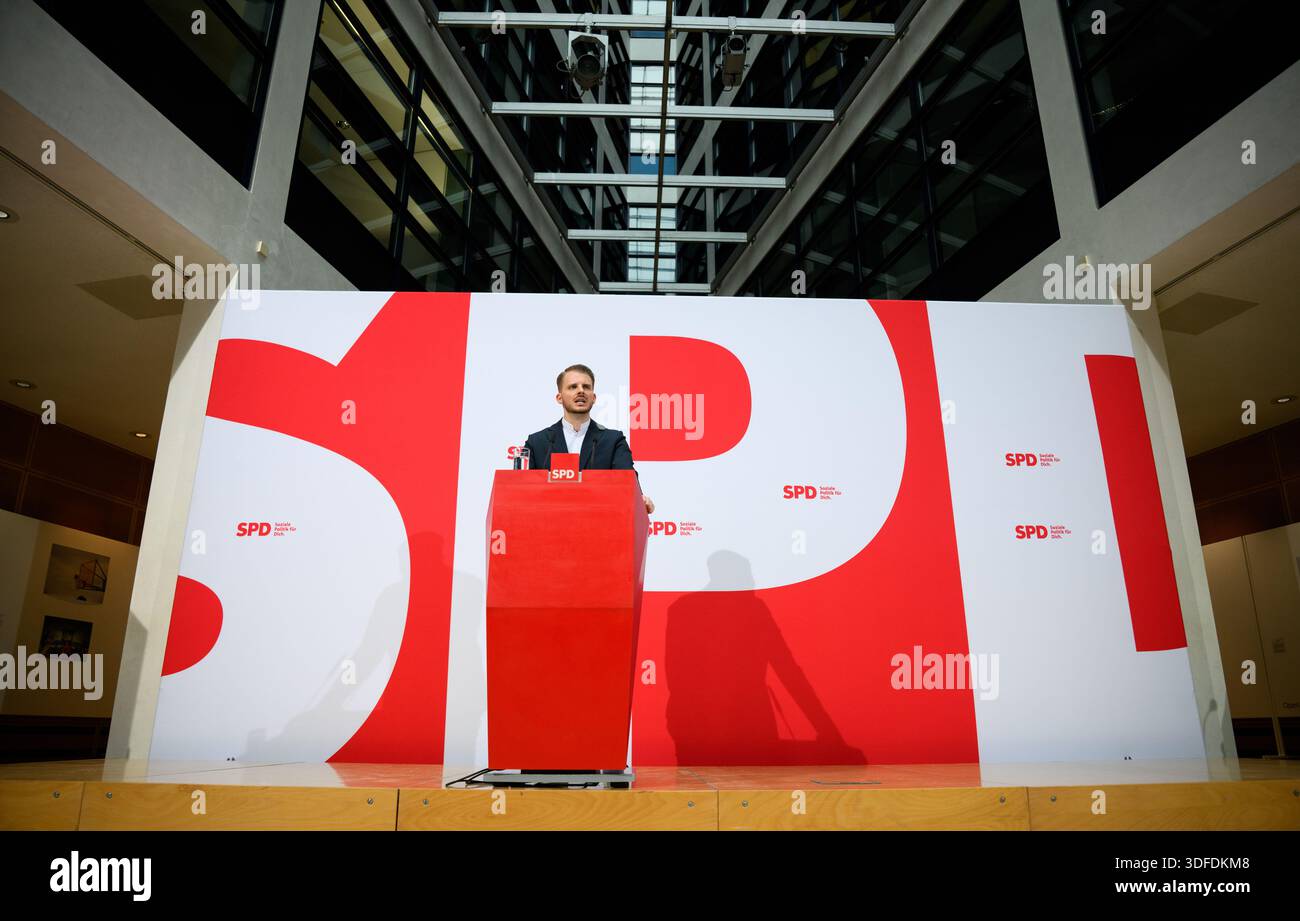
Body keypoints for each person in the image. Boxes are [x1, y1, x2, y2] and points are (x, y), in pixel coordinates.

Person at [523, 363, 655, 516]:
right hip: (546, 528)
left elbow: (628, 484)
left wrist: (640, 499)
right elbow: (522, 494)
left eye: (586, 387)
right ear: (559, 397)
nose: (581, 391)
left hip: (601, 527)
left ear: (594, 397)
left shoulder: (613, 441)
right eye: (573, 387)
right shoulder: (537, 442)